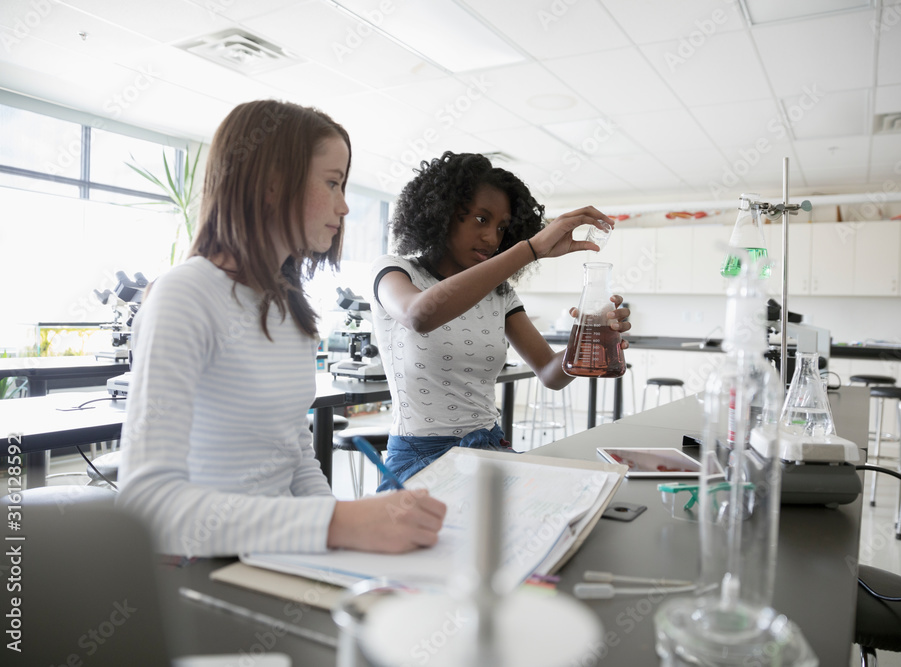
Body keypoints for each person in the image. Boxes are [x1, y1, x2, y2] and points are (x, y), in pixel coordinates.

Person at [117, 100, 446, 558]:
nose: (345, 205)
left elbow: (294, 455)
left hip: (275, 559)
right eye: (332, 183)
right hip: (201, 569)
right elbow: (147, 507)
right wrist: (340, 522)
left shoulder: (292, 311)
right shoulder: (184, 294)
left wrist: (350, 537)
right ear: (272, 184)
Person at [371, 151, 631, 490]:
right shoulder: (395, 271)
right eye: (481, 219)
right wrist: (531, 249)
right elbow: (419, 315)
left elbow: (551, 374)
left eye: (502, 228)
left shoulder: (499, 294)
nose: (492, 239)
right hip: (422, 458)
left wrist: (587, 343)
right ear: (443, 212)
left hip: (491, 449)